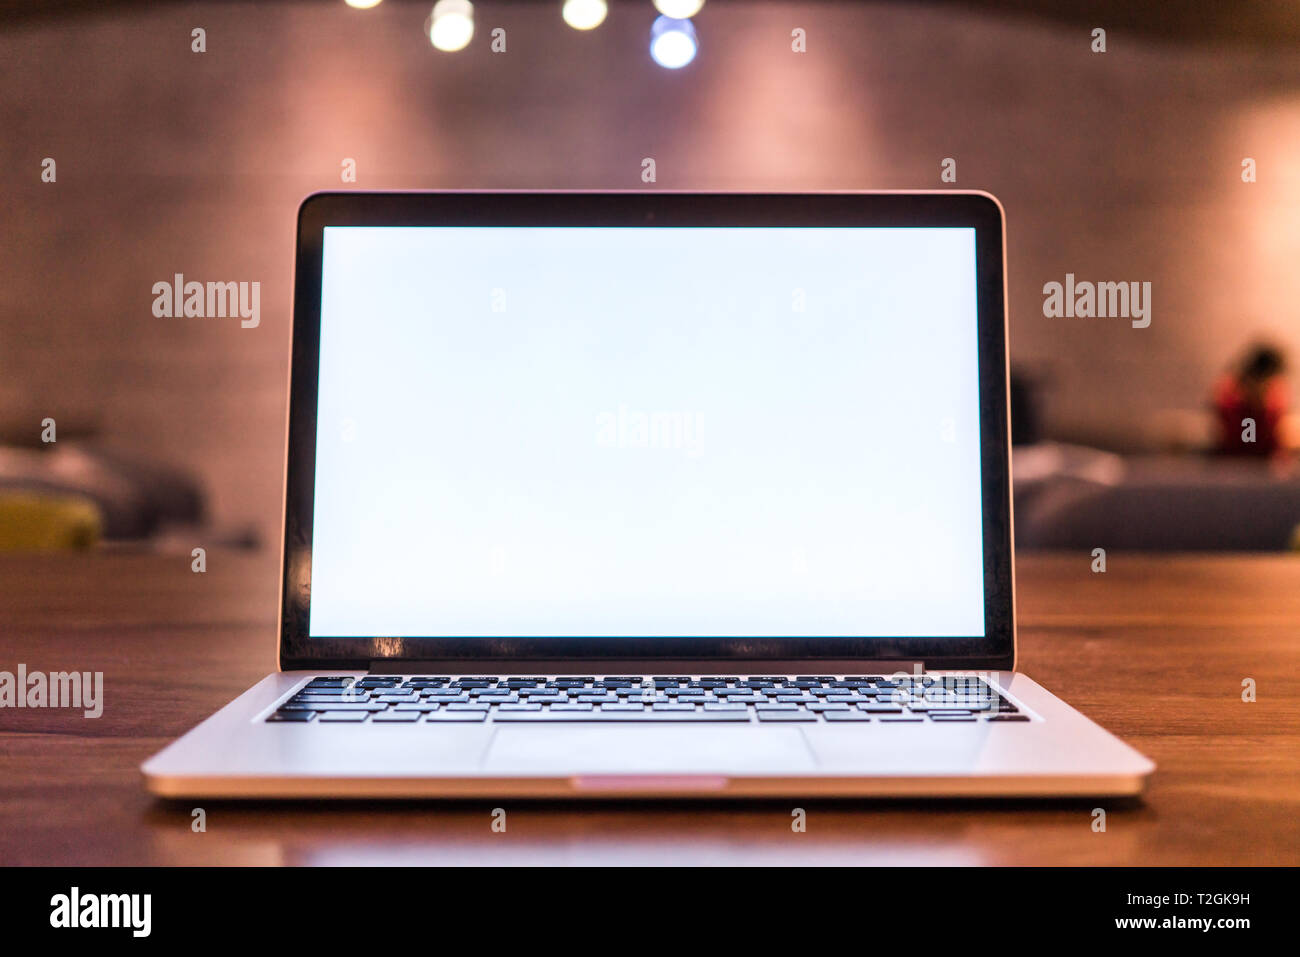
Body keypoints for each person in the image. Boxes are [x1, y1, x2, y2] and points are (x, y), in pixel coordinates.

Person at [1211, 343, 1289, 457]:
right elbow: (1246, 441)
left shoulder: (1275, 398)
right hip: (1237, 459)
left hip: (1258, 458)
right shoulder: (1231, 399)